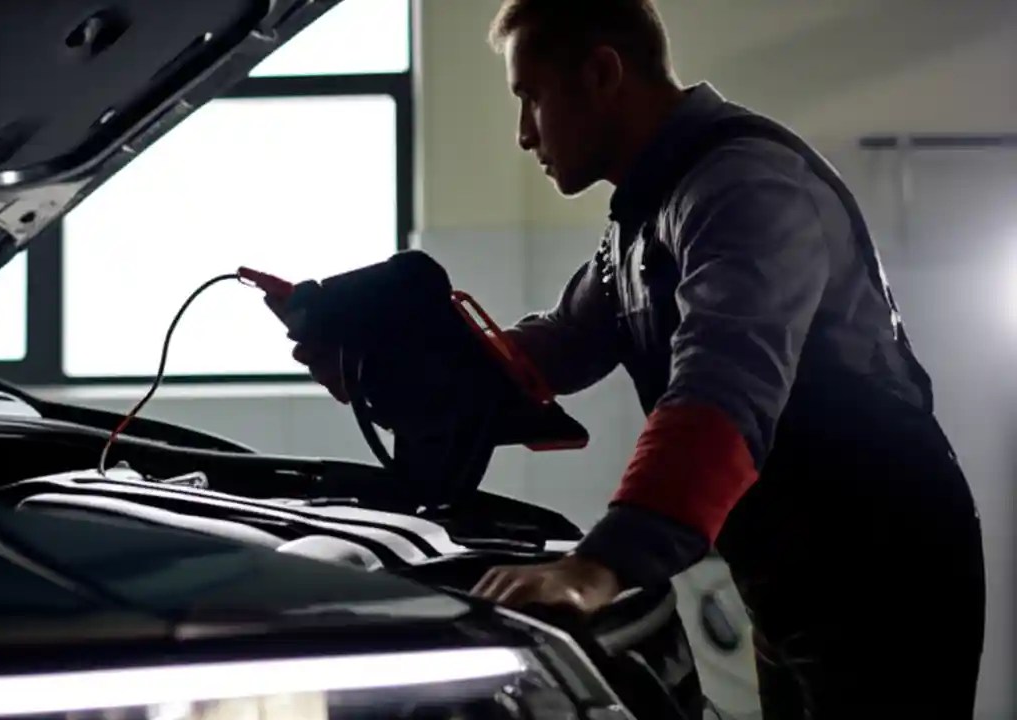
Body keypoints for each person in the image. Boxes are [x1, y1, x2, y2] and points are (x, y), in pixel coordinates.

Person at [293, 0, 986, 716]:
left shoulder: (744, 190)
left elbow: (720, 391)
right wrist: (389, 368)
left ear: (601, 73)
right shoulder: (650, 208)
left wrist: (600, 566)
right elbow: (556, 346)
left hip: (882, 567)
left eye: (531, 97)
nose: (523, 133)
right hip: (795, 566)